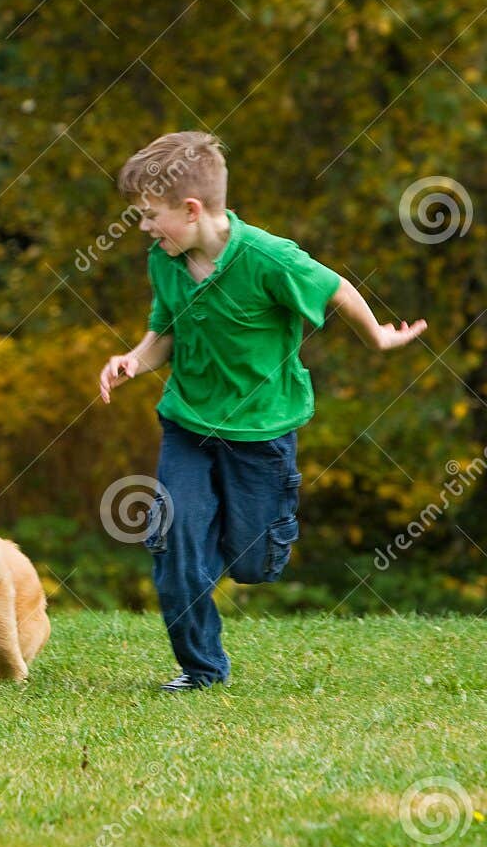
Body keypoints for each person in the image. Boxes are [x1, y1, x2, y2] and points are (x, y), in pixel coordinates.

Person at [98, 132, 426, 690]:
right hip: (188, 423)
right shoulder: (166, 261)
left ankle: (250, 532)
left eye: (151, 216)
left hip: (261, 433)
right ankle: (201, 670)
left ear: (192, 209)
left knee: (253, 564)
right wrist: (133, 359)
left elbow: (336, 287)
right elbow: (165, 333)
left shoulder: (269, 259)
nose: (145, 228)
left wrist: (376, 336)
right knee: (176, 541)